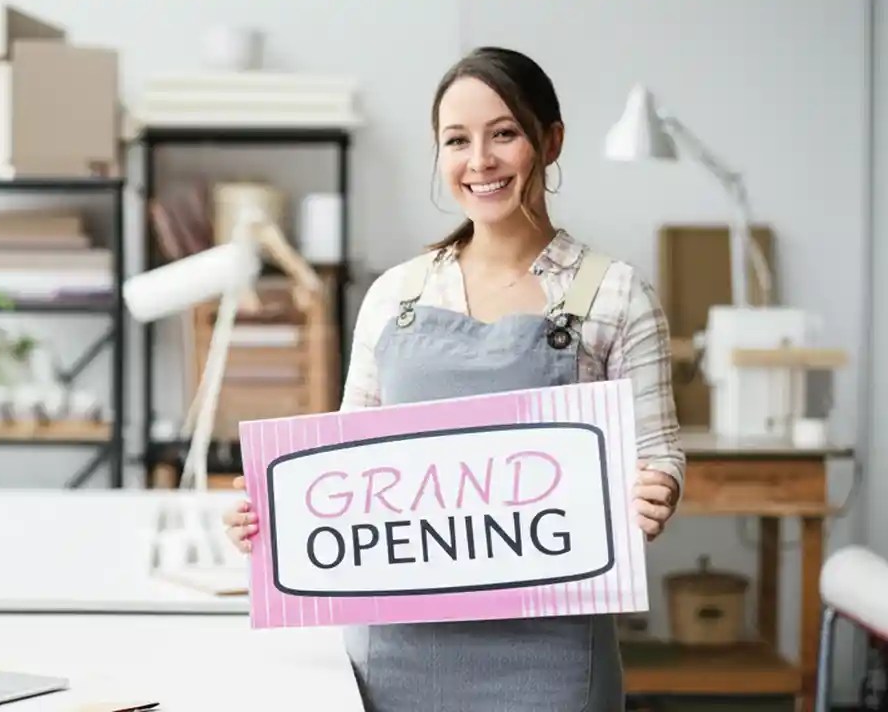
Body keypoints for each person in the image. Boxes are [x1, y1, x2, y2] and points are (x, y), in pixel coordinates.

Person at [221, 46, 685, 712]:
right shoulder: (395, 295)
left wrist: (655, 489)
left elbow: (657, 450)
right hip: (393, 662)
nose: (480, 161)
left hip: (550, 662)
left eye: (504, 134)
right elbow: (344, 459)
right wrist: (269, 515)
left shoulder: (615, 294)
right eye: (457, 141)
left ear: (549, 142)